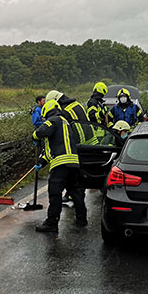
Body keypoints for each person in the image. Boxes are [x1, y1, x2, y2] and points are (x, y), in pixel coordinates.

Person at [32, 99, 87, 233]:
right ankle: (81, 219)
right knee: (75, 191)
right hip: (73, 163)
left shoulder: (54, 120)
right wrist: (42, 162)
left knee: (55, 193)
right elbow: (52, 149)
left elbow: (41, 131)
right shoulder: (65, 123)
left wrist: (34, 136)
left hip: (60, 164)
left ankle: (52, 223)